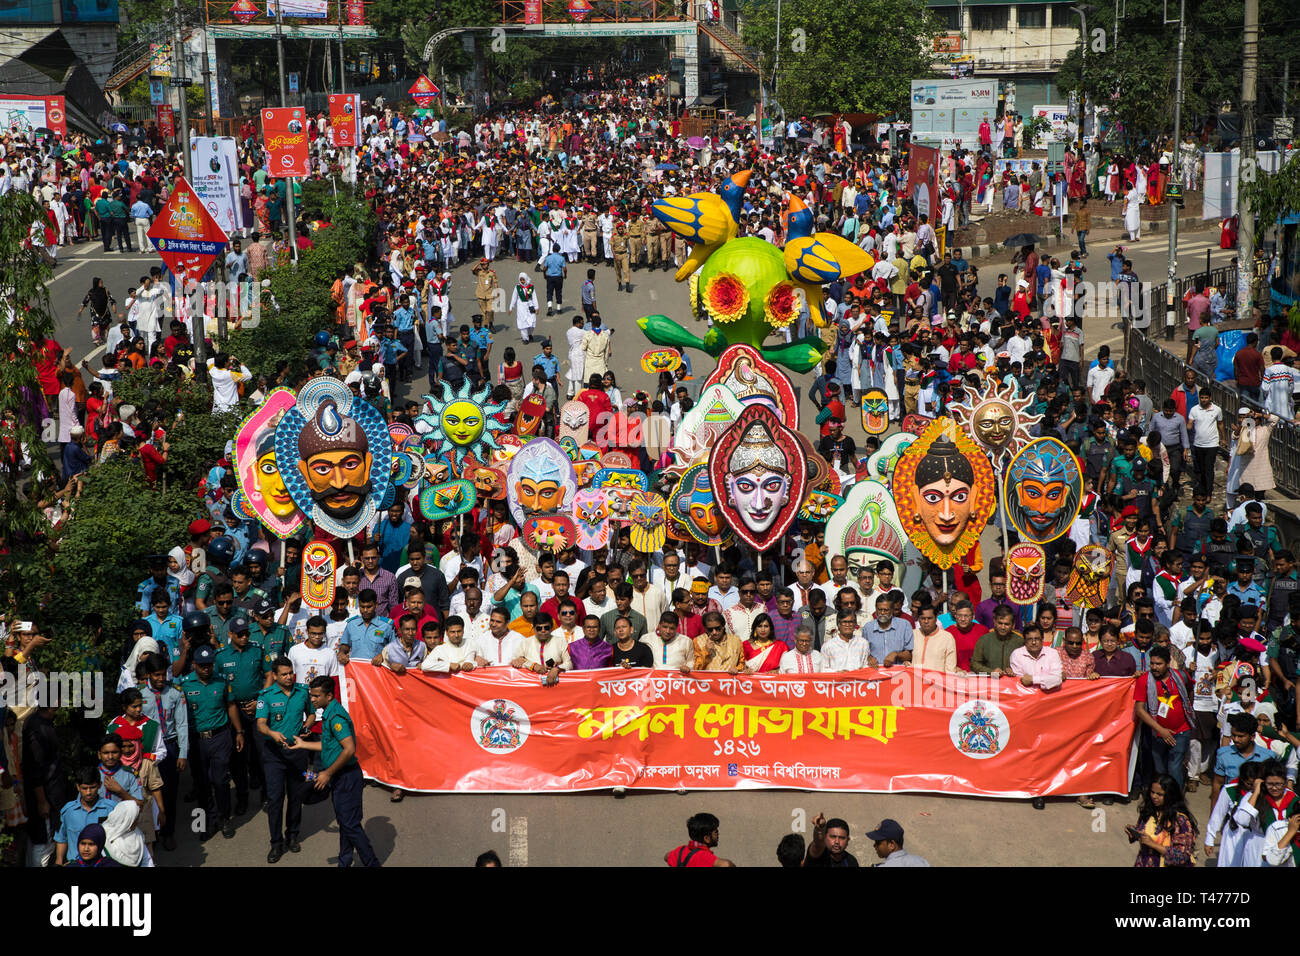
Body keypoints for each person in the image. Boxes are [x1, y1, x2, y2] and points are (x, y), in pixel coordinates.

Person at [289, 676, 380, 867]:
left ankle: (371, 863)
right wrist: (303, 744)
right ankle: (344, 861)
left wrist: (327, 773)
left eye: (316, 696)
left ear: (329, 696)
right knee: (345, 823)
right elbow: (330, 745)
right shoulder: (329, 713)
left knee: (350, 825)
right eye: (311, 695)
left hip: (346, 777)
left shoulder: (336, 717)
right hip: (340, 777)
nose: (312, 699)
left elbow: (348, 749)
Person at [256, 656, 313, 863]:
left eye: (291, 673)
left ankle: (292, 836)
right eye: (284, 674)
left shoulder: (302, 692)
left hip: (298, 754)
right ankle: (276, 843)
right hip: (274, 755)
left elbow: (312, 714)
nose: (289, 677)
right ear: (274, 675)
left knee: (296, 797)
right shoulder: (266, 696)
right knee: (275, 800)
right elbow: (261, 724)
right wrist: (272, 733)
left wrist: (306, 727)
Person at [1131, 774, 1199, 866]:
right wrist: (1134, 833)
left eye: (1159, 794)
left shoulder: (1180, 821)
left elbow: (1181, 856)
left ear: (1170, 795)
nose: (1154, 796)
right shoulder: (1149, 812)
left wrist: (1153, 844)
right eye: (1152, 792)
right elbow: (1144, 833)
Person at [664, 812, 734, 866]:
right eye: (716, 832)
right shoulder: (703, 856)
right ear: (706, 838)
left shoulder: (680, 850)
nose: (718, 835)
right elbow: (726, 864)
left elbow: (666, 856)